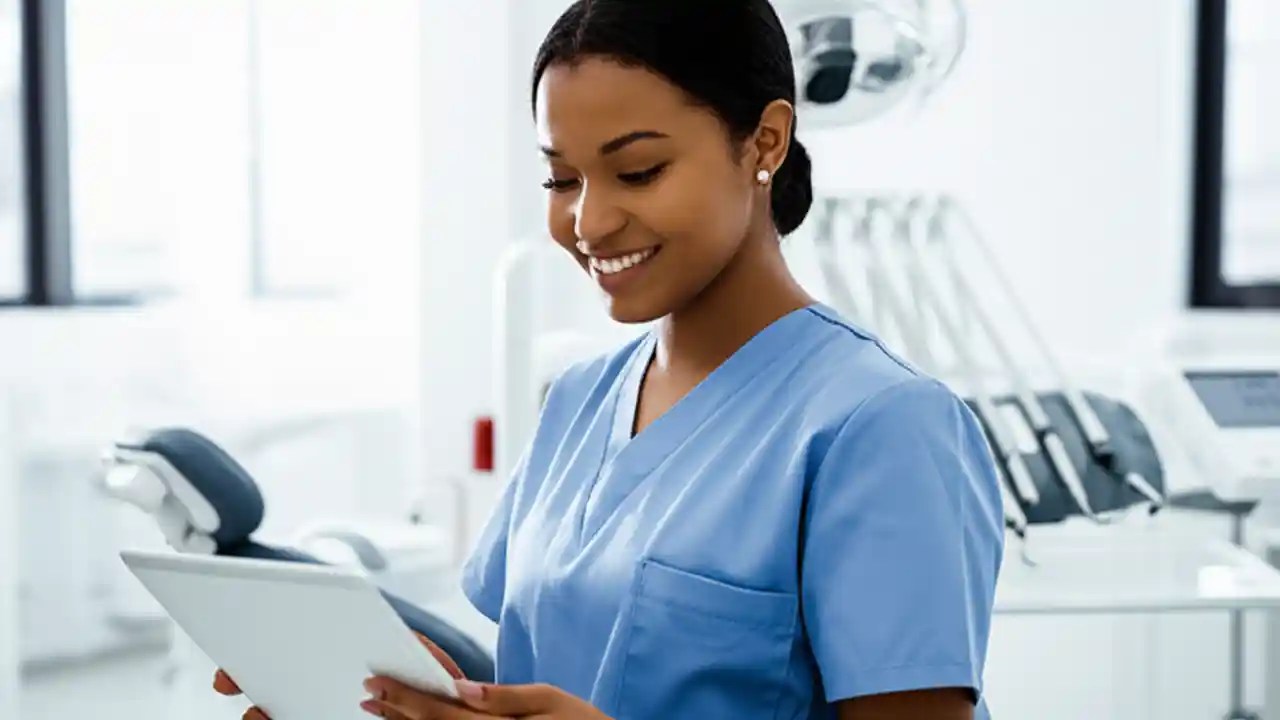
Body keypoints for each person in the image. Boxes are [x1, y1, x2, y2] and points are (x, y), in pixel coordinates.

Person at [216, 1, 1005, 717]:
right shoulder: (579, 401)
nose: (588, 222)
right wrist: (413, 694)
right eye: (562, 178)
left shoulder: (883, 428)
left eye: (639, 172)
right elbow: (561, 675)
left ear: (764, 140)